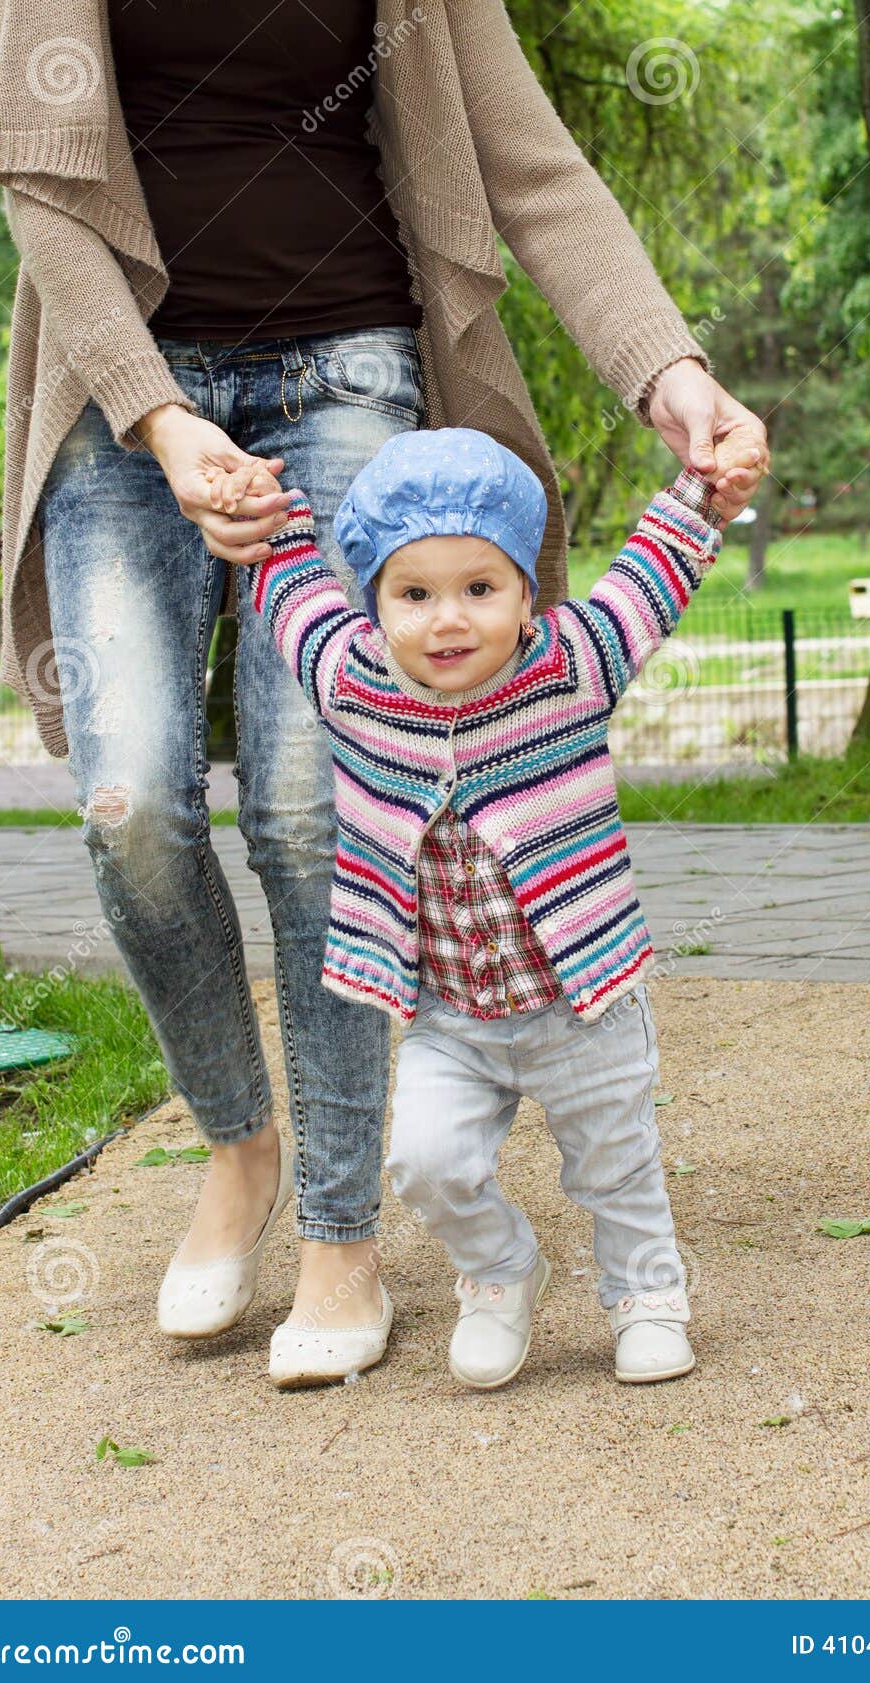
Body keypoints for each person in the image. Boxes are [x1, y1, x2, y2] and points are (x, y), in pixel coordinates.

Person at [0, 0, 768, 1368]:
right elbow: (41, 186)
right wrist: (161, 417)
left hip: (345, 366)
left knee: (311, 802)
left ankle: (342, 1240)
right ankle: (239, 1140)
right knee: (128, 801)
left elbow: (531, 165)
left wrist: (670, 375)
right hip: (126, 394)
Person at [215, 424, 755, 1388]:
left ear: (523, 591)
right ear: (374, 598)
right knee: (424, 1162)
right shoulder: (350, 683)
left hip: (580, 1000)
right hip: (447, 1016)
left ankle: (646, 1294)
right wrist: (269, 512)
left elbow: (649, 573)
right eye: (413, 594)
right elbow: (290, 587)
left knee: (614, 1167)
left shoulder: (572, 665)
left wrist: (706, 494)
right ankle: (501, 1271)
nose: (448, 620)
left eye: (479, 588)